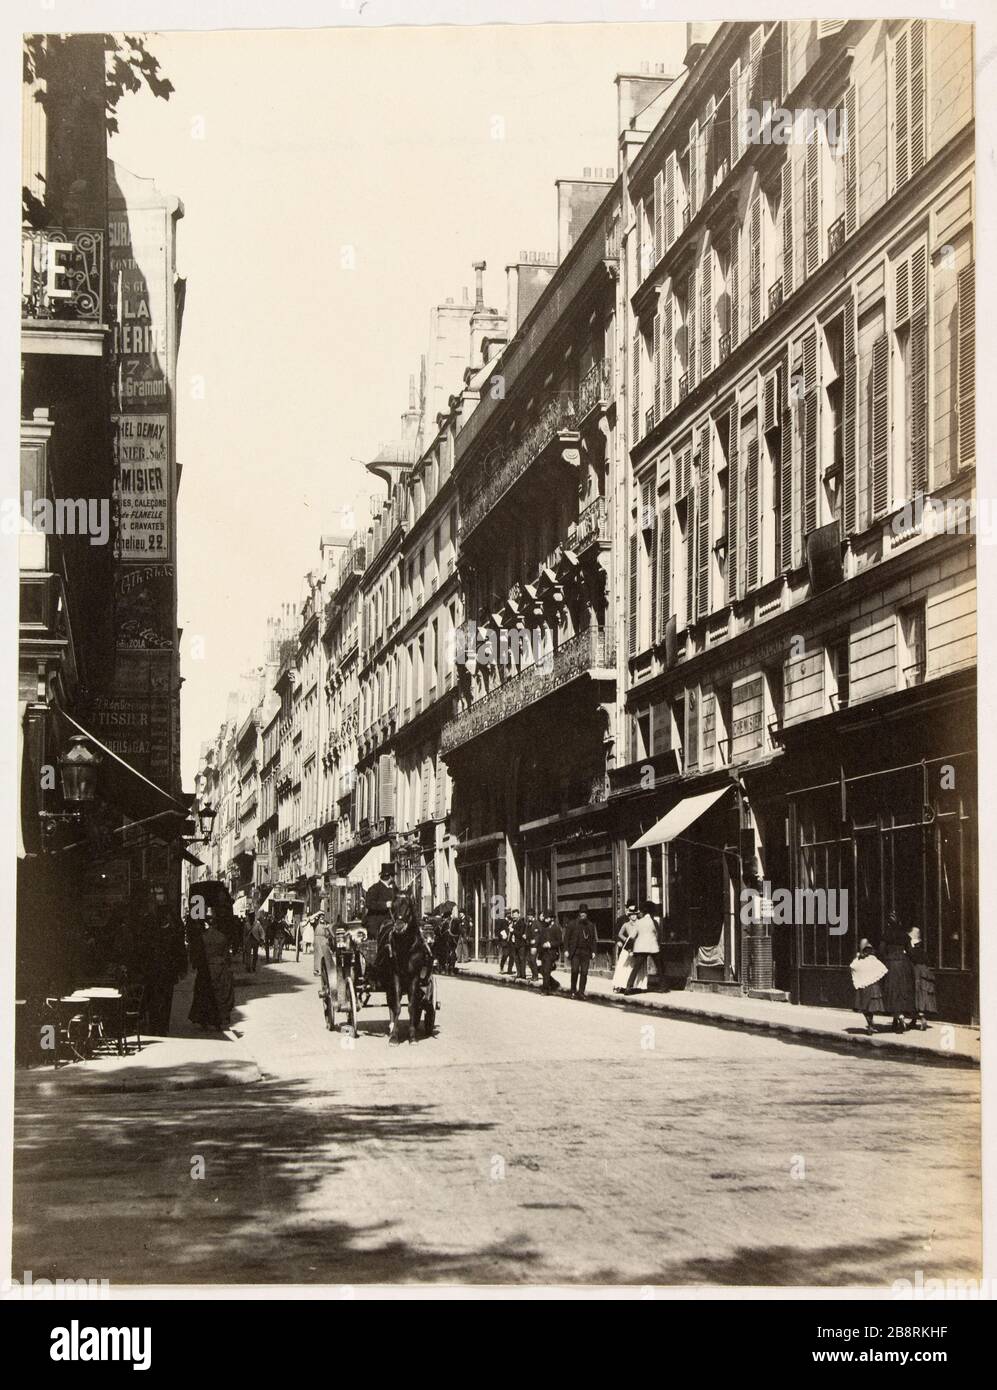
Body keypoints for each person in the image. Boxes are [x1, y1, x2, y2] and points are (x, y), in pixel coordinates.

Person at [188, 908, 236, 1030]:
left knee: (204, 995)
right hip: (220, 969)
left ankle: (204, 1020)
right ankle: (218, 1021)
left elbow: (198, 955)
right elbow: (227, 957)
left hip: (206, 969)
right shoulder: (222, 937)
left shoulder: (202, 937)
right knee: (220, 995)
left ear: (207, 923)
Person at [881, 911, 916, 1033]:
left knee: (892, 992)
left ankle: (898, 1018)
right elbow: (911, 952)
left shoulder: (886, 935)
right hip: (903, 965)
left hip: (891, 964)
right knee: (902, 991)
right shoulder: (905, 935)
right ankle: (899, 1018)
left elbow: (881, 951)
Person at [849, 937, 888, 1034]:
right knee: (870, 1007)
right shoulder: (873, 959)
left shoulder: (858, 959)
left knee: (864, 1007)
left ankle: (870, 1024)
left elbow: (852, 967)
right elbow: (882, 969)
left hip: (863, 985)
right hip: (872, 985)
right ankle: (870, 1025)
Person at [906, 925, 937, 1030]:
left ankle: (921, 1018)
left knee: (916, 994)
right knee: (922, 995)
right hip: (925, 972)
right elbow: (927, 961)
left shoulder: (912, 950)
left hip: (916, 972)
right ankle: (915, 1020)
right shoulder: (922, 951)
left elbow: (911, 958)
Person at [564, 905, 597, 998]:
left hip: (586, 952)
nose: (583, 915)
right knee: (574, 971)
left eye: (585, 913)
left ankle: (581, 992)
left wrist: (594, 951)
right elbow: (566, 938)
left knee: (584, 972)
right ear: (579, 913)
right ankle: (573, 991)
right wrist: (566, 950)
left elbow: (593, 939)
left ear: (587, 914)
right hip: (575, 952)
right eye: (582, 913)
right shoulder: (572, 924)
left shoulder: (590, 925)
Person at [627, 902, 660, 993]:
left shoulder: (638, 922)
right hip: (652, 946)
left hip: (640, 947)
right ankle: (663, 986)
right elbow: (657, 934)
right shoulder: (654, 922)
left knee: (636, 968)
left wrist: (630, 947)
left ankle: (628, 987)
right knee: (659, 966)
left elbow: (632, 936)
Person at [612, 903, 640, 992]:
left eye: (635, 915)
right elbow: (619, 934)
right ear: (629, 915)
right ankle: (620, 985)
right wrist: (625, 939)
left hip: (637, 947)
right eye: (632, 915)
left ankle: (634, 986)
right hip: (627, 947)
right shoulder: (626, 924)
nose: (633, 916)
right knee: (623, 966)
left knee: (633, 966)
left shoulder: (640, 923)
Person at [538, 912, 562, 995]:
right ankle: (554, 983)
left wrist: (550, 944)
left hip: (552, 953)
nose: (545, 919)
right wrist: (539, 955)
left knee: (546, 970)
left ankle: (545, 990)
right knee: (541, 970)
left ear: (552, 918)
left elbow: (559, 941)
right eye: (545, 918)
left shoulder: (556, 928)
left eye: (547, 918)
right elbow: (540, 941)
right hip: (544, 953)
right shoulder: (545, 928)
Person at [511, 910, 530, 980]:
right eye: (513, 915)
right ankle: (519, 974)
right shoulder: (513, 923)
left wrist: (512, 930)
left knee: (522, 959)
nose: (514, 916)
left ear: (519, 915)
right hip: (514, 944)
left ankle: (523, 975)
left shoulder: (522, 923)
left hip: (521, 944)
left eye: (515, 915)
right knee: (516, 959)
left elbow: (520, 934)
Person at [495, 907, 514, 975]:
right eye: (507, 913)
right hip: (504, 941)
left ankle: (509, 970)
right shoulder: (501, 921)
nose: (508, 914)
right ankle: (502, 967)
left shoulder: (512, 921)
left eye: (509, 913)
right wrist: (502, 935)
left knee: (512, 956)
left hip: (511, 941)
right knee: (505, 955)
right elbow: (497, 931)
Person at [525, 915, 542, 982]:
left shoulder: (537, 923)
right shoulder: (528, 924)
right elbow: (527, 933)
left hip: (535, 946)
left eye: (530, 916)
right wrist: (525, 936)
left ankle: (536, 976)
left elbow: (540, 934)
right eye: (528, 916)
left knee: (532, 960)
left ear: (533, 916)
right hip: (529, 945)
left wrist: (535, 942)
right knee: (528, 960)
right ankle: (533, 974)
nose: (529, 917)